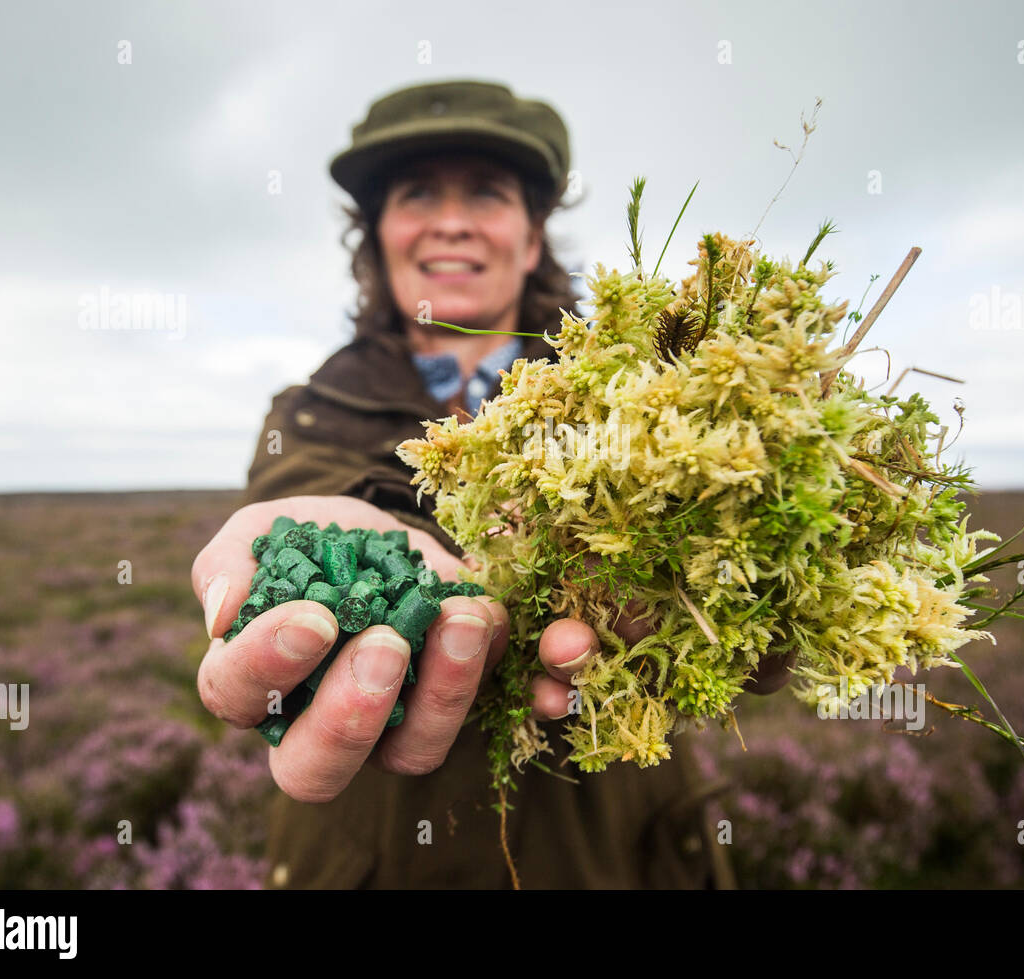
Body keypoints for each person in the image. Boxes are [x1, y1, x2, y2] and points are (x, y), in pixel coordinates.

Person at [191, 79, 787, 888]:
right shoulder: (310, 410)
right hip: (377, 856)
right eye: (417, 194)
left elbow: (752, 618)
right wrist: (384, 526)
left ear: (533, 237)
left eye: (487, 193)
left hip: (614, 845)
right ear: (376, 236)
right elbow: (323, 488)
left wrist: (748, 600)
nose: (452, 220)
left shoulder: (648, 387)